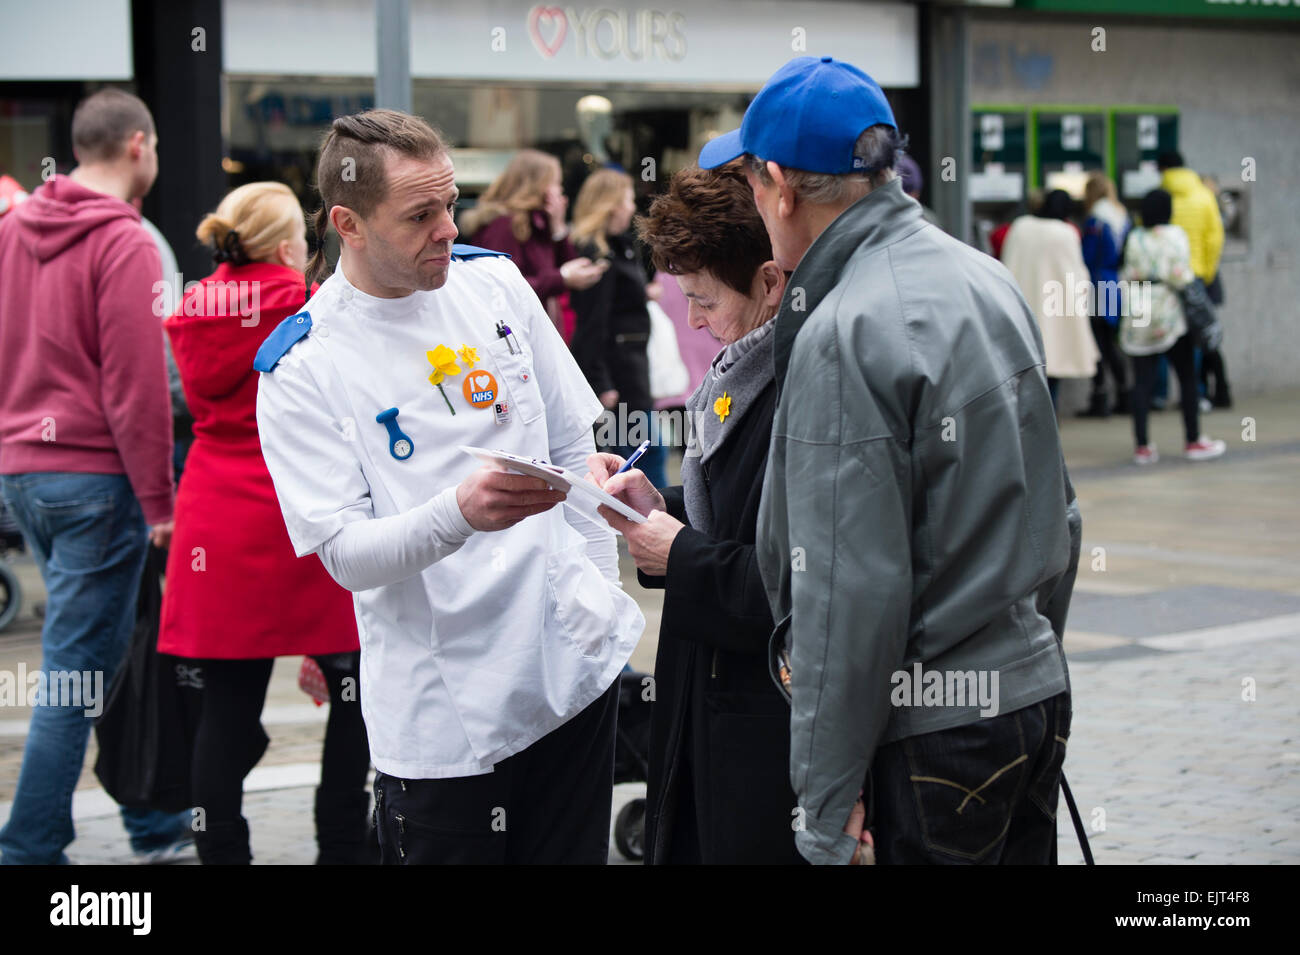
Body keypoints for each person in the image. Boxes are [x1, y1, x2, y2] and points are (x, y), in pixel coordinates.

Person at [700, 55, 1080, 865]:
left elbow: (846, 592)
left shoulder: (846, 328)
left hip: (933, 729)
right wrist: (1027, 665)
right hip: (1026, 696)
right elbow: (1061, 511)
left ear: (781, 185)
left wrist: (825, 803)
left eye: (752, 185)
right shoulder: (983, 277)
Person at [254, 109, 643, 864]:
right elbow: (342, 554)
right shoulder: (305, 365)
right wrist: (458, 513)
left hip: (573, 675)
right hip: (447, 723)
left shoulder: (492, 283)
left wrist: (599, 595)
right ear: (349, 224)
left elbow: (572, 443)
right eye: (420, 213)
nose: (445, 227)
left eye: (452, 204)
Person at [0, 88, 192, 864]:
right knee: (77, 669)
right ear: (139, 145)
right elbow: (137, 384)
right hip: (96, 479)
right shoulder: (130, 243)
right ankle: (29, 845)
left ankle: (150, 818)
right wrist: (161, 501)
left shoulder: (12, 230)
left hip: (23, 470)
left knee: (101, 648)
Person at [590, 163, 801, 864]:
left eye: (703, 298)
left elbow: (794, 581)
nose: (693, 320)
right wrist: (662, 506)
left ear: (771, 281)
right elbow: (736, 514)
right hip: (708, 696)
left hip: (760, 718)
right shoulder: (741, 366)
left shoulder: (805, 382)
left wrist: (679, 553)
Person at [157, 182, 372, 864]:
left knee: (223, 710)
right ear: (286, 247)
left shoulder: (193, 307)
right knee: (353, 694)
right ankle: (342, 845)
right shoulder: (308, 305)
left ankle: (221, 851)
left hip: (216, 514)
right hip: (305, 506)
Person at [568, 169, 667, 488]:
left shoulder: (622, 247)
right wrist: (601, 381)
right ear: (610, 205)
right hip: (619, 370)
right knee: (644, 453)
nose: (630, 207)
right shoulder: (598, 255)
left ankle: (654, 516)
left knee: (644, 450)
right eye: (625, 200)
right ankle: (656, 518)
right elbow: (592, 323)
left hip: (633, 365)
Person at [1119, 189, 1227, 466]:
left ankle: (1142, 446)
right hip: (1170, 314)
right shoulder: (1175, 235)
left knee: (1142, 382)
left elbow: (1128, 270)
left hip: (1139, 309)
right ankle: (1193, 439)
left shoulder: (1134, 236)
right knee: (1187, 377)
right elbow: (1182, 275)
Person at [460, 148, 606, 336]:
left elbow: (569, 263)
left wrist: (558, 227)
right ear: (537, 185)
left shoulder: (537, 222)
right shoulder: (504, 225)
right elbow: (503, 287)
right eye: (555, 183)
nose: (560, 190)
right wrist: (562, 277)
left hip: (534, 328)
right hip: (514, 332)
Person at [1001, 188, 1099, 409]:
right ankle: (1049, 417)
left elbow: (1006, 265)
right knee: (1053, 366)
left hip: (1022, 307)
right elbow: (1078, 275)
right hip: (1056, 309)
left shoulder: (1020, 227)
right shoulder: (1066, 232)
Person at [1078, 173, 1130, 417]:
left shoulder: (1095, 221)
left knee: (1099, 345)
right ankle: (1125, 393)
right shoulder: (1122, 215)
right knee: (1111, 343)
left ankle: (1100, 398)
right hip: (1116, 283)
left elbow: (1087, 258)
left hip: (1099, 284)